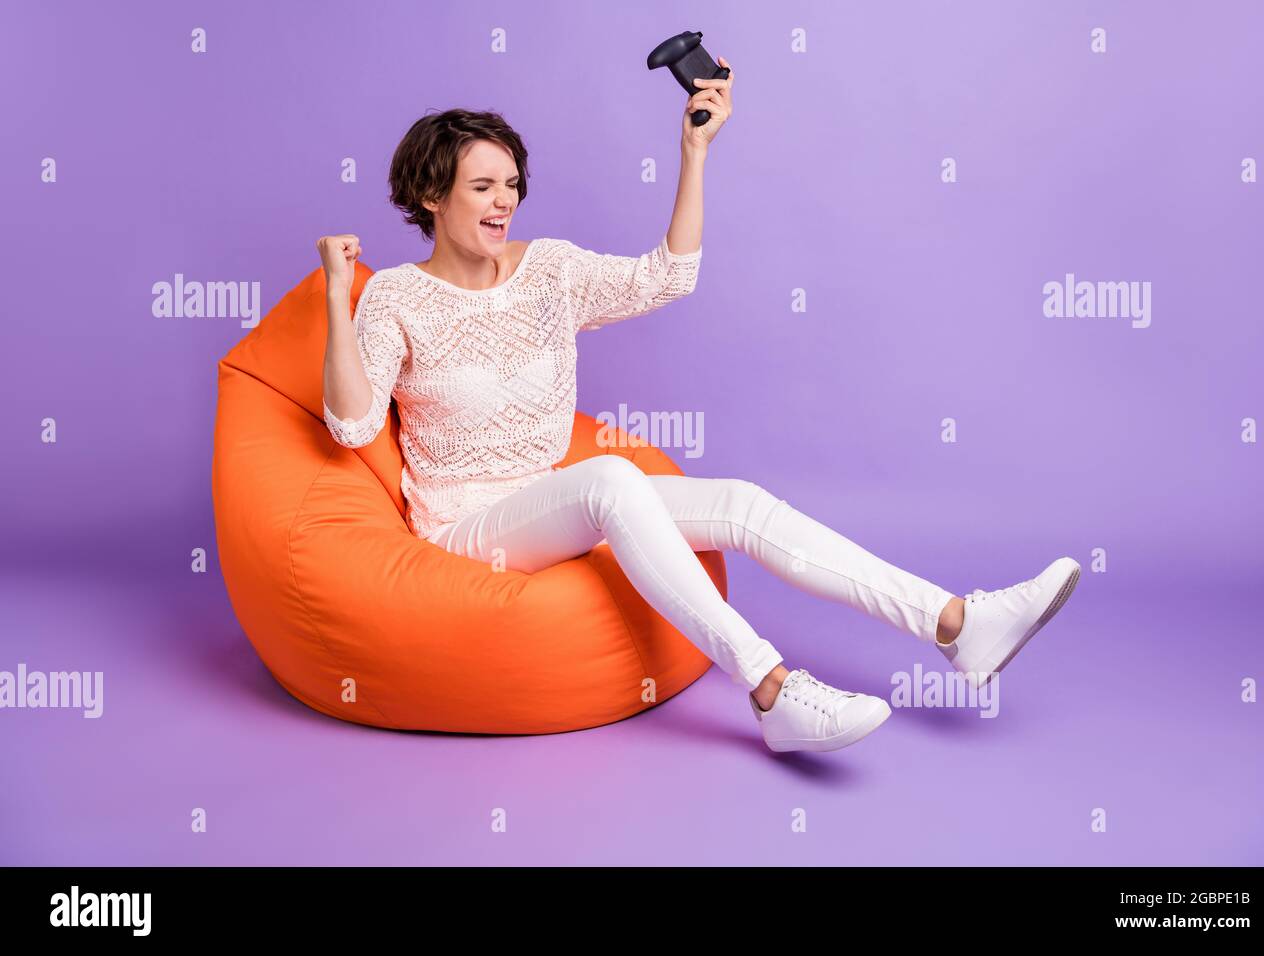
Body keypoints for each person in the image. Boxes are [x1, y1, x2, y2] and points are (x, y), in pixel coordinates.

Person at [319, 60, 1079, 754]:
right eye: (482, 186)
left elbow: (667, 277)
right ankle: (772, 690)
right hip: (468, 526)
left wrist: (695, 154)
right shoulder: (396, 296)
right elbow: (352, 425)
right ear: (431, 195)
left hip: (550, 500)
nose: (504, 201)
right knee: (611, 478)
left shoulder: (550, 268)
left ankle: (959, 625)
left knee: (740, 504)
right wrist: (335, 294)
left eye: (511, 183)